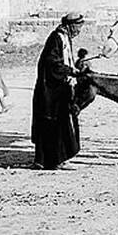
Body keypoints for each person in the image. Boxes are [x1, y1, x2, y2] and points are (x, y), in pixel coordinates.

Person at [31, 11, 85, 170]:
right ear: (70, 25)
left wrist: (74, 68)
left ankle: (49, 159)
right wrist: (70, 71)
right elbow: (52, 63)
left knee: (57, 124)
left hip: (58, 88)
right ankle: (54, 160)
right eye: (77, 27)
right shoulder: (56, 38)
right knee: (56, 123)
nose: (79, 31)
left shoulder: (64, 37)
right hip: (51, 91)